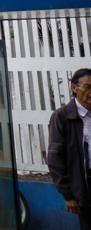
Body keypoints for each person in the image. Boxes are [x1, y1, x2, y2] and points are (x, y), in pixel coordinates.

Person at [48, 68, 91, 230]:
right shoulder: (62, 116)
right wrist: (68, 194)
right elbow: (55, 159)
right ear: (74, 88)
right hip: (85, 187)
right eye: (87, 87)